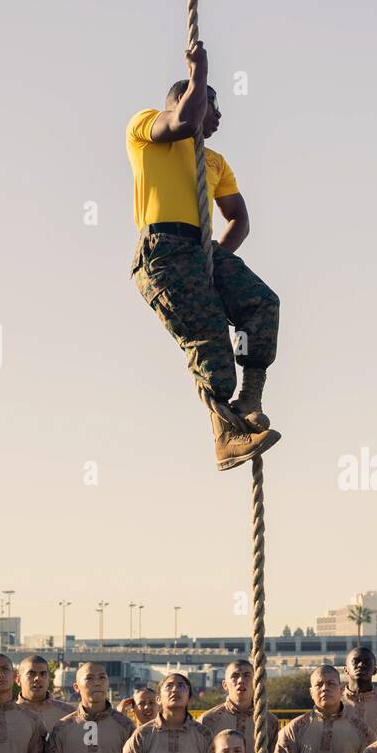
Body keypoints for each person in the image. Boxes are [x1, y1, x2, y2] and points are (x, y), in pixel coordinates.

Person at [128, 41, 282, 469]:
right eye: (211, 105)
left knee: (262, 303)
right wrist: (200, 73)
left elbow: (238, 219)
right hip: (163, 251)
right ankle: (224, 435)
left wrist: (214, 261)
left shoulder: (214, 162)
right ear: (186, 97)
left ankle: (249, 399)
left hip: (199, 253)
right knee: (211, 338)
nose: (217, 116)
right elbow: (182, 120)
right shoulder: (146, 130)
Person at [199, 659, 279, 753]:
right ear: (225, 685)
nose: (241, 681)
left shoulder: (269, 722)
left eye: (246, 675)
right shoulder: (208, 721)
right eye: (235, 676)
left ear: (255, 682)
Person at [344, 647, 377, 746]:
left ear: (375, 670)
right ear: (346, 669)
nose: (361, 665)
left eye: (367, 662)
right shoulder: (333, 702)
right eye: (356, 661)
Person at [14, 654, 74, 738]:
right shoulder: (9, 715)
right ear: (18, 679)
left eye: (43, 674)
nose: (37, 678)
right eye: (31, 674)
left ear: (49, 679)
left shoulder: (69, 713)